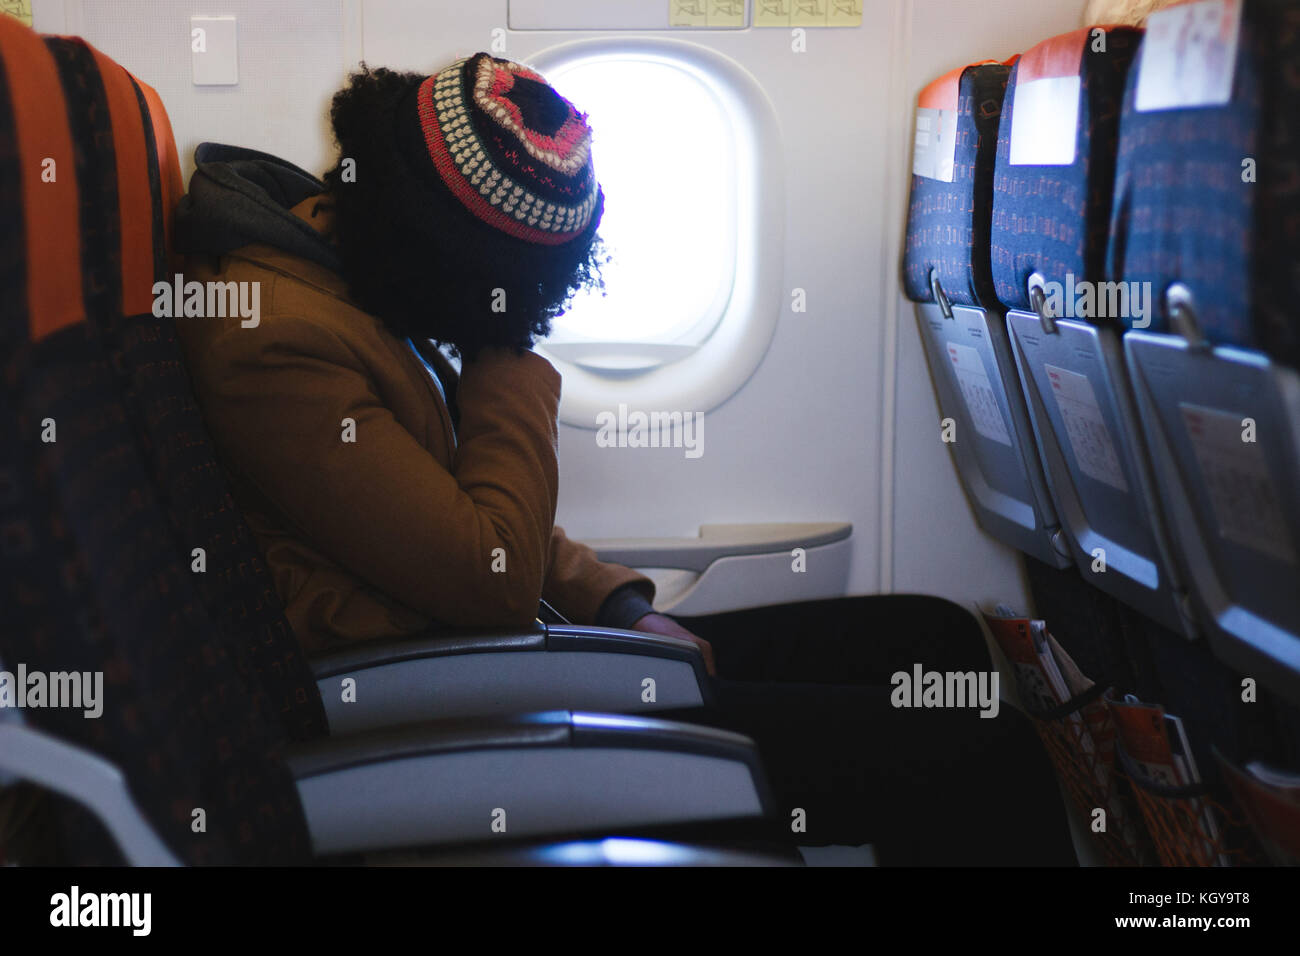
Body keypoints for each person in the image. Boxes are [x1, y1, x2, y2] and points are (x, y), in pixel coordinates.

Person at [173, 55, 1075, 865]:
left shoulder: (361, 273)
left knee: (925, 640)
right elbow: (486, 569)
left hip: (508, 652)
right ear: (445, 249)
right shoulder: (274, 341)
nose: (520, 314)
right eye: (519, 289)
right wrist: (506, 354)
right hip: (445, 702)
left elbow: (448, 514)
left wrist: (619, 602)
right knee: (978, 756)